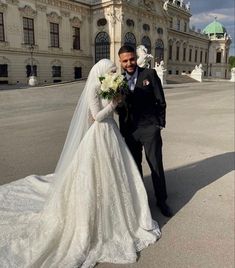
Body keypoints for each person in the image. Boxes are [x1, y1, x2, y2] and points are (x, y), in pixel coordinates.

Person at [0, 59, 161, 268]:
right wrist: (113, 103)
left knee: (116, 171)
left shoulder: (108, 85)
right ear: (102, 71)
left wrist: (117, 101)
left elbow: (107, 114)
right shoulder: (94, 88)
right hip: (100, 133)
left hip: (111, 132)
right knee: (95, 174)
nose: (114, 73)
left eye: (114, 71)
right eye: (111, 71)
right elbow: (97, 116)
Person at [117, 45, 173, 217]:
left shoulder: (149, 75)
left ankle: (162, 200)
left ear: (136, 58)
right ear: (120, 62)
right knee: (135, 167)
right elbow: (119, 108)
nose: (129, 63)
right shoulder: (116, 81)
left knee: (156, 165)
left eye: (132, 59)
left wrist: (159, 125)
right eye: (125, 61)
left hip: (150, 129)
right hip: (130, 132)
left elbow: (160, 101)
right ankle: (141, 201)